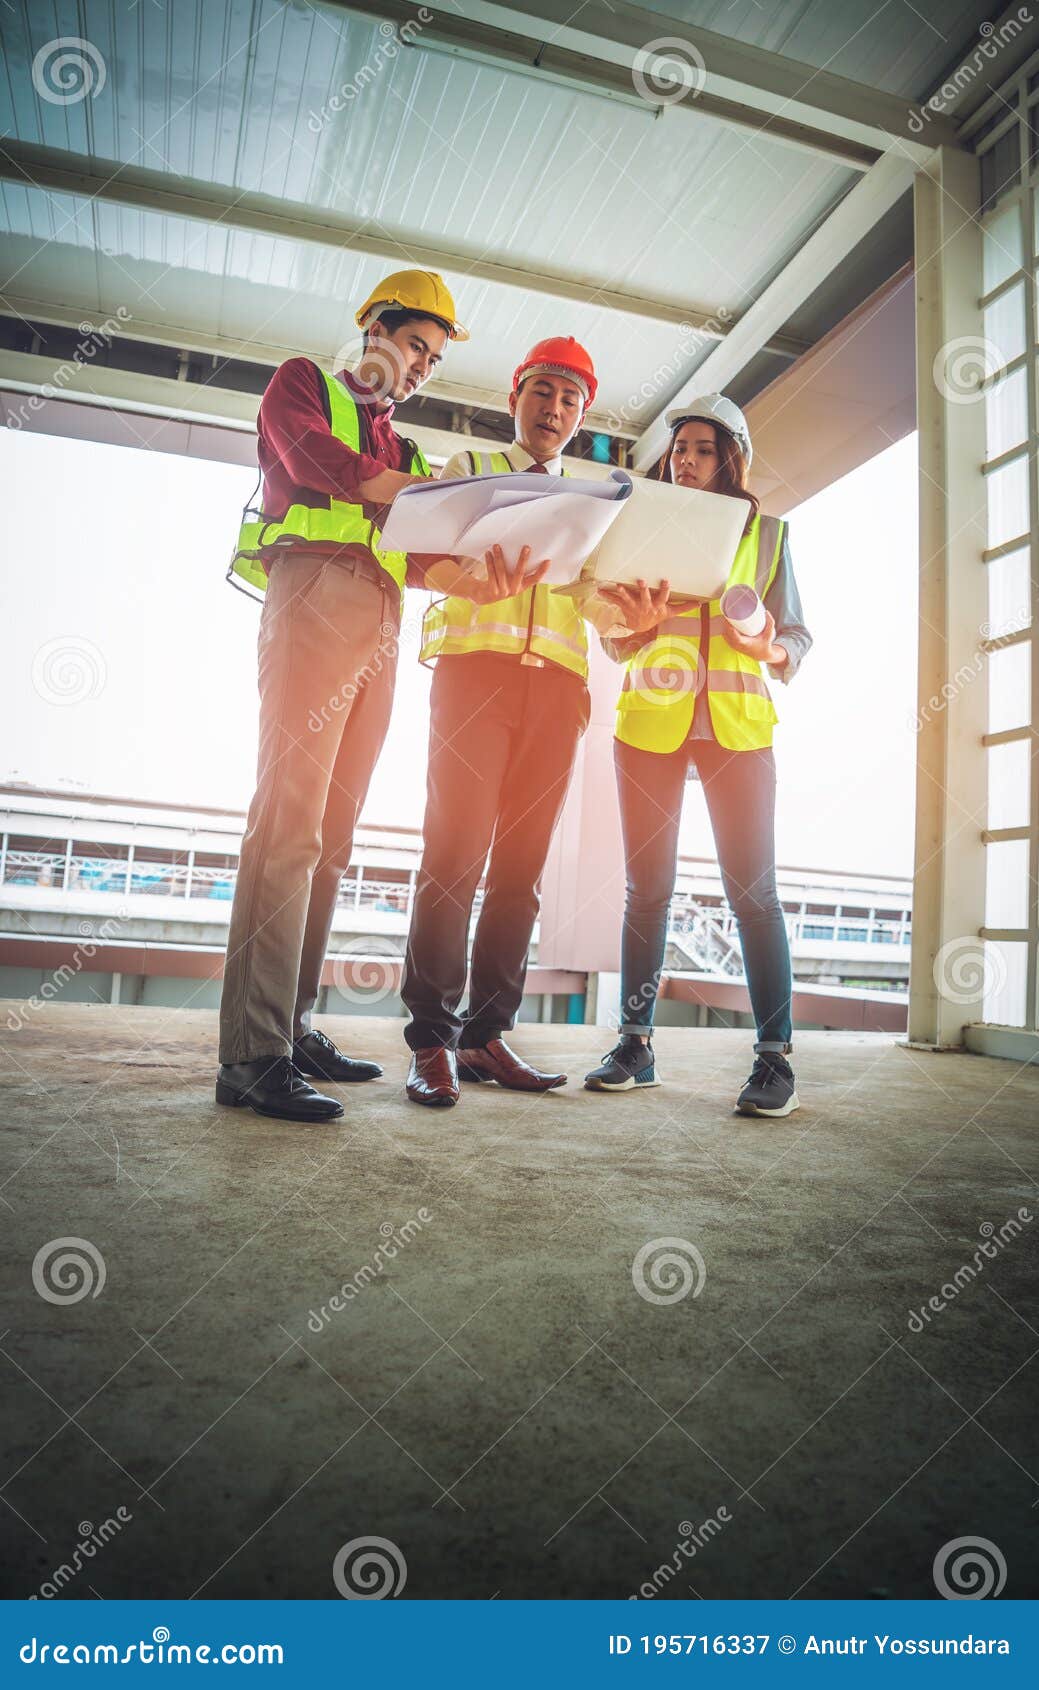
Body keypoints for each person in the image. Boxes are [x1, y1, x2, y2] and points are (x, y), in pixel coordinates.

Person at [216, 270, 467, 1123]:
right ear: (375, 330)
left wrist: (490, 574)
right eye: (414, 346)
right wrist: (399, 491)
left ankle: (294, 1025)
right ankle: (252, 1054)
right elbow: (313, 460)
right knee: (289, 822)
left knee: (331, 838)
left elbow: (424, 551)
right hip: (315, 598)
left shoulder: (407, 452)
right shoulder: (305, 383)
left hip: (382, 621)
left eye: (433, 358)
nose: (422, 366)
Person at [584, 394, 812, 1117]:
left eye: (702, 449)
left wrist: (763, 644)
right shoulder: (641, 522)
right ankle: (634, 1045)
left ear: (730, 457)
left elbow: (797, 640)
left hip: (738, 728)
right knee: (645, 892)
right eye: (679, 448)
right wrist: (637, 629)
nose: (684, 459)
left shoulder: (769, 535)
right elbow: (614, 640)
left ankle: (774, 1060)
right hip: (650, 722)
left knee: (754, 895)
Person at [402, 338, 600, 1107]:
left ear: (579, 416)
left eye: (569, 400)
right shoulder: (466, 471)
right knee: (452, 858)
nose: (553, 409)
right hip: (473, 680)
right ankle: (430, 1042)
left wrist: (638, 618)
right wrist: (470, 582)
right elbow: (424, 560)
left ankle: (485, 1036)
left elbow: (603, 607)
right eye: (542, 392)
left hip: (557, 691)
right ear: (515, 396)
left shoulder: (598, 497)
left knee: (519, 872)